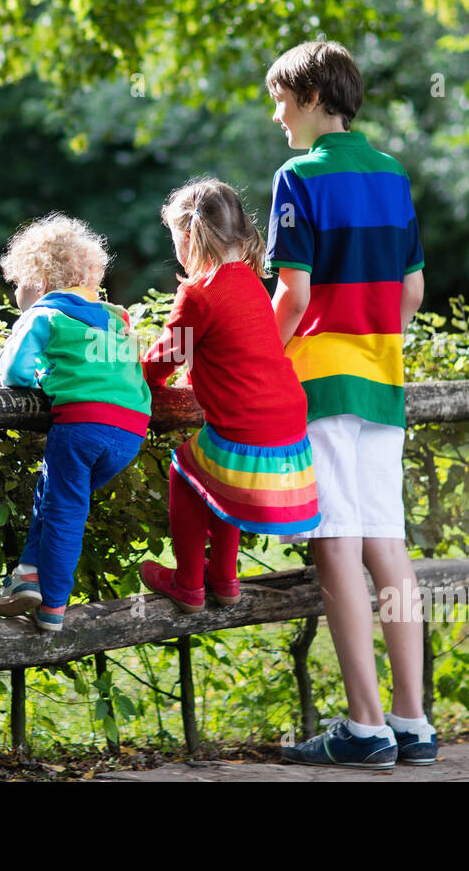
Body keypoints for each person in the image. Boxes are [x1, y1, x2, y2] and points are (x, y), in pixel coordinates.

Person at [265, 40, 437, 767]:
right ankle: (414, 721)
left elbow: (293, 294)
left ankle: (365, 730)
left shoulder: (297, 175)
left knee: (334, 540)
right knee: (387, 545)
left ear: (309, 97)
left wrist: (262, 359)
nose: (275, 115)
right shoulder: (393, 175)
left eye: (279, 99)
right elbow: (413, 292)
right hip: (383, 380)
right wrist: (371, 340)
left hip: (321, 385)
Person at [138, 177, 320, 613]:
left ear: (187, 238)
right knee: (218, 476)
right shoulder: (252, 284)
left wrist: (141, 384)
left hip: (248, 428)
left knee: (186, 470)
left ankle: (188, 583)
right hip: (290, 426)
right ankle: (224, 578)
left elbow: (166, 357)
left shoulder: (198, 292)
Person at [0, 213, 151, 632]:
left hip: (81, 427)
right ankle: (27, 578)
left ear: (37, 280)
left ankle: (51, 608)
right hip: (130, 432)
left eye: (18, 282)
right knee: (56, 500)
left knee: (63, 513)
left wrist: (38, 375)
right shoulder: (117, 318)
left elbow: (14, 371)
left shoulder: (44, 313)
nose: (17, 291)